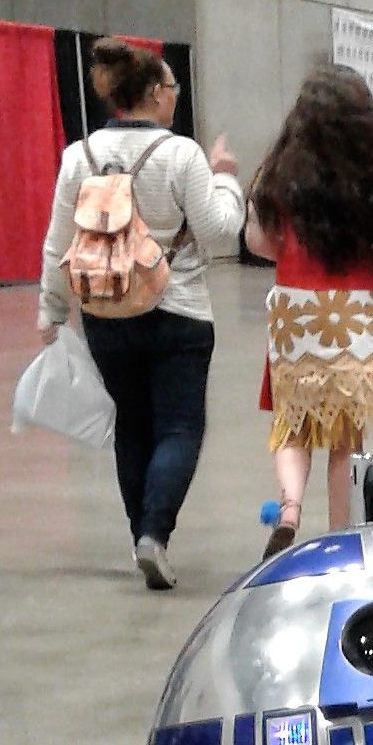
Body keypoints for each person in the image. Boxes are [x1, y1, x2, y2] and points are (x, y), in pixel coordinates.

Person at [39, 37, 242, 590]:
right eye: (172, 88)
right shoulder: (182, 155)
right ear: (154, 92)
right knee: (179, 425)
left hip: (105, 311)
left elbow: (59, 242)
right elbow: (220, 231)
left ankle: (142, 539)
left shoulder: (77, 156)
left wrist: (51, 310)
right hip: (179, 310)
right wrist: (224, 175)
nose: (175, 98)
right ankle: (155, 534)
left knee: (131, 427)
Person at [245, 65, 373, 558]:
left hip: (297, 309)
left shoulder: (278, 176)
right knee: (344, 434)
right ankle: (339, 538)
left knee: (294, 422)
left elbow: (258, 243)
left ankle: (290, 508)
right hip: (354, 314)